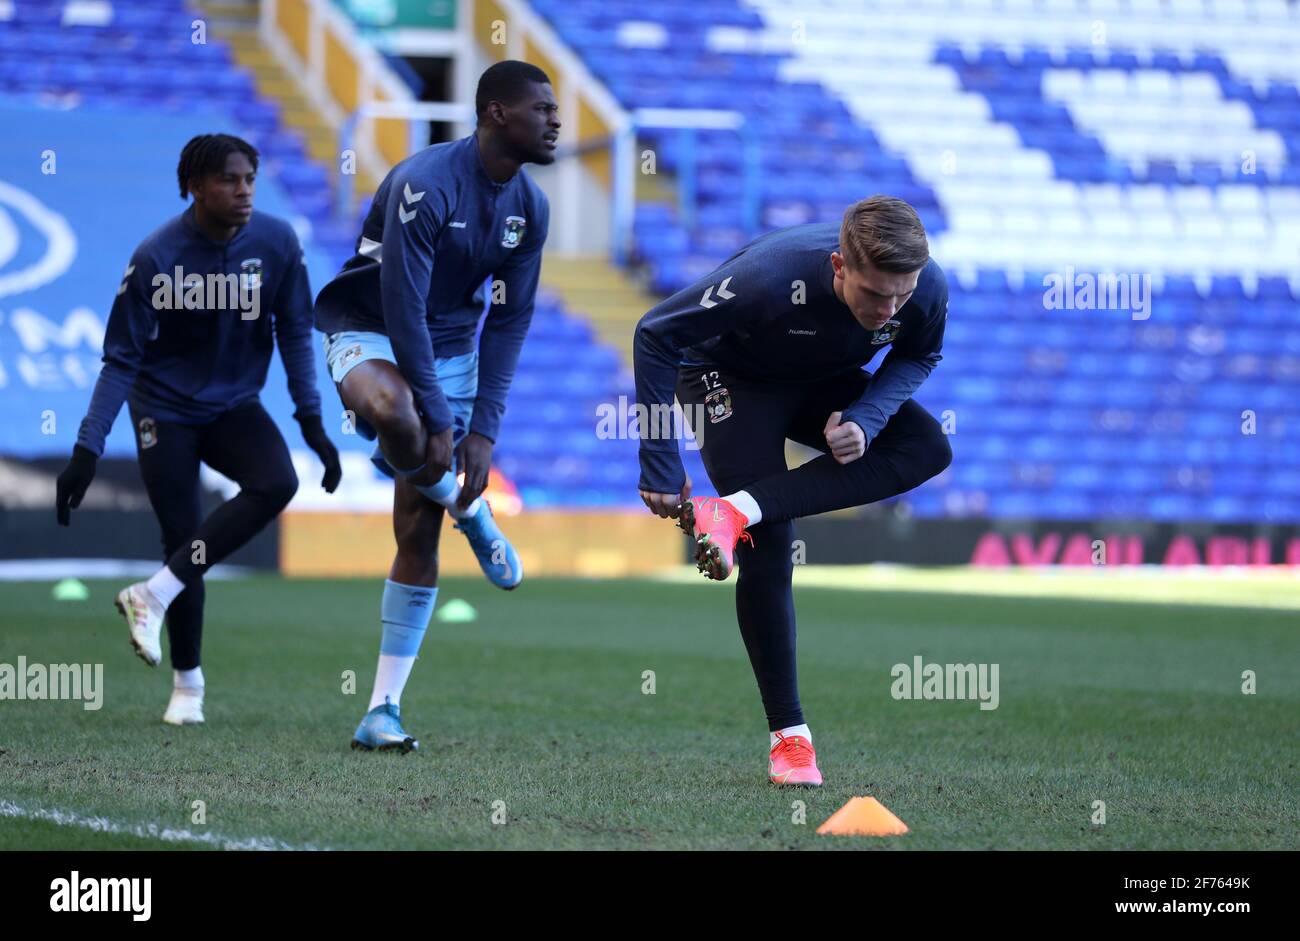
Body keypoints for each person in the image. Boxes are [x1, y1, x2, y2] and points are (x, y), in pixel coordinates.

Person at [634, 196, 953, 786]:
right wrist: (658, 457)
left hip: (817, 381)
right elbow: (655, 335)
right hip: (727, 378)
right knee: (771, 546)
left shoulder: (925, 285)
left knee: (930, 447)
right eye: (873, 294)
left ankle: (731, 511)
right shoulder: (768, 278)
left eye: (899, 296)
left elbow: (920, 353)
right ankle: (791, 741)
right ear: (838, 266)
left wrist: (868, 414)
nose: (887, 311)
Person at [55, 133, 342, 725]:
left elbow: (294, 330)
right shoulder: (157, 258)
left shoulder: (277, 242)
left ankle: (152, 595)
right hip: (164, 408)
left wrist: (310, 419)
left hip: (234, 405)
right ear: (194, 186)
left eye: (249, 181)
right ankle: (188, 687)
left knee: (277, 483)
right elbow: (121, 360)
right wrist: (87, 448)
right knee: (182, 536)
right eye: (228, 181)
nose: (243, 193)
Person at [313, 60, 557, 752]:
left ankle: (381, 709)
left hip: (453, 354)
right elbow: (402, 303)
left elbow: (510, 321)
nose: (555, 120)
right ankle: (469, 507)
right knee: (394, 413)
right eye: (541, 109)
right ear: (495, 114)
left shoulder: (531, 208)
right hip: (371, 328)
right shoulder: (426, 182)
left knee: (415, 534)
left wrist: (484, 428)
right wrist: (444, 421)